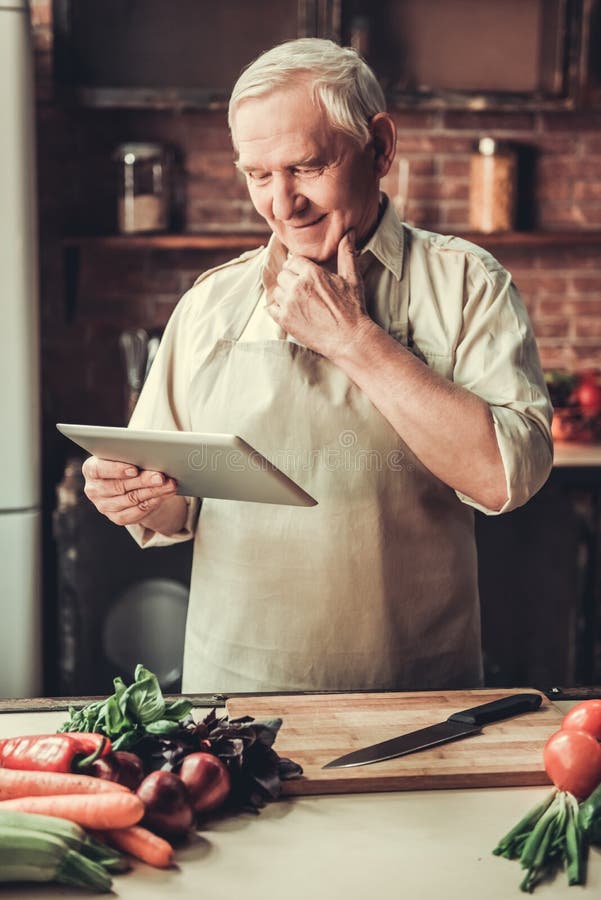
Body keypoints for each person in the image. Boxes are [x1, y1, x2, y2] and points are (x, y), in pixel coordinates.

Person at [82, 38, 553, 693]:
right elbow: (173, 508)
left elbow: (505, 477)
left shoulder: (467, 283)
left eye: (305, 167)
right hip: (235, 686)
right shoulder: (211, 302)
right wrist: (136, 498)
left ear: (380, 148)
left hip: (416, 691)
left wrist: (355, 341)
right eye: (257, 175)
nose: (282, 203)